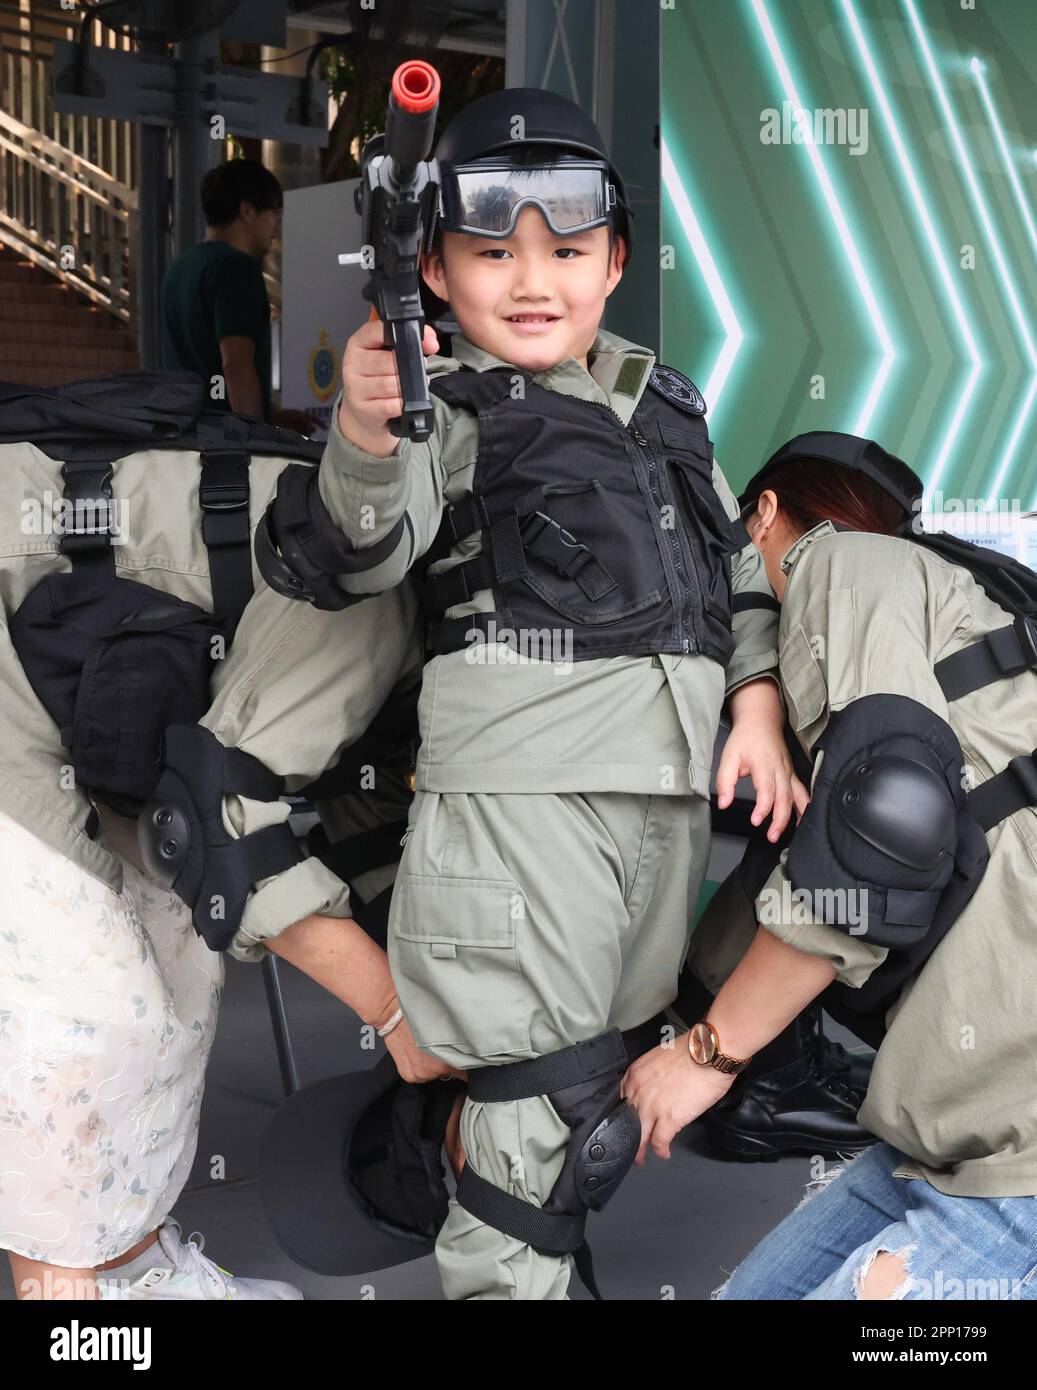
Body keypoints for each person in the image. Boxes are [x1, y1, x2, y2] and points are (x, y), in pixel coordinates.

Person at [257, 85, 807, 1300]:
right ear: (437, 274)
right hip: (520, 820)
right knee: (532, 1131)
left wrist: (755, 701)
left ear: (614, 262)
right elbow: (364, 545)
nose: (529, 280)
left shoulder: (662, 403)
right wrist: (363, 420)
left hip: (658, 821)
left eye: (564, 252)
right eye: (489, 254)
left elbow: (729, 570)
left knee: (583, 1125)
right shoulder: (437, 408)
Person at [0, 378, 449, 1300]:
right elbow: (222, 833)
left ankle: (133, 1268)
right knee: (86, 1009)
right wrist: (398, 1014)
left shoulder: (429, 663)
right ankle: (68, 1304)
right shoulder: (372, 597)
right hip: (17, 647)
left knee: (181, 965)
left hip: (92, 673)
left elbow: (355, 830)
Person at [622, 434, 1037, 1300]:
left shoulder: (834, 562)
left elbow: (889, 818)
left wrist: (709, 1055)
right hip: (948, 1127)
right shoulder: (951, 596)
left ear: (764, 514)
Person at [160, 158, 317, 436]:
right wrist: (255, 437)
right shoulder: (237, 268)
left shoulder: (179, 269)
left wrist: (272, 416)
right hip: (223, 445)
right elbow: (236, 363)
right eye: (274, 215)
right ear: (247, 211)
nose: (276, 228)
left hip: (181, 435)